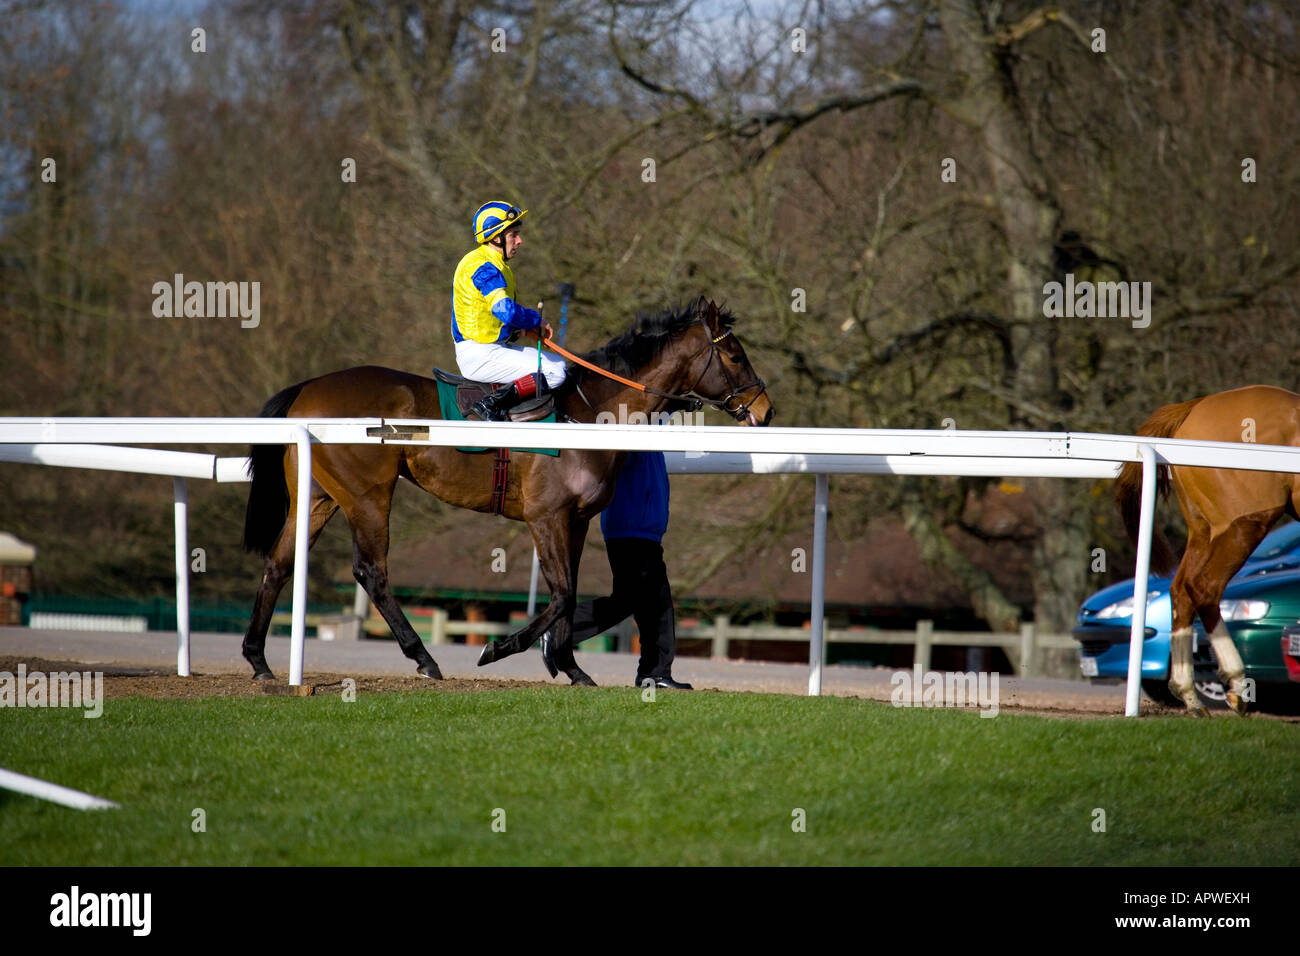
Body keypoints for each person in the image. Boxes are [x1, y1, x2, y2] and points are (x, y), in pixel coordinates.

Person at [565, 450, 693, 689]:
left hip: (644, 529)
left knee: (656, 604)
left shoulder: (652, 426)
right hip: (630, 528)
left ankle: (654, 673)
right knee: (631, 600)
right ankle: (559, 631)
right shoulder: (632, 422)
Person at [451, 200, 567, 421]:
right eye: (514, 234)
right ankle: (491, 403)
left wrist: (521, 331)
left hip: (491, 348)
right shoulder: (483, 266)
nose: (519, 240)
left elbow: (489, 316)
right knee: (556, 372)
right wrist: (535, 321)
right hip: (480, 355)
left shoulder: (491, 263)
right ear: (496, 237)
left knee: (559, 364)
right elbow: (504, 311)